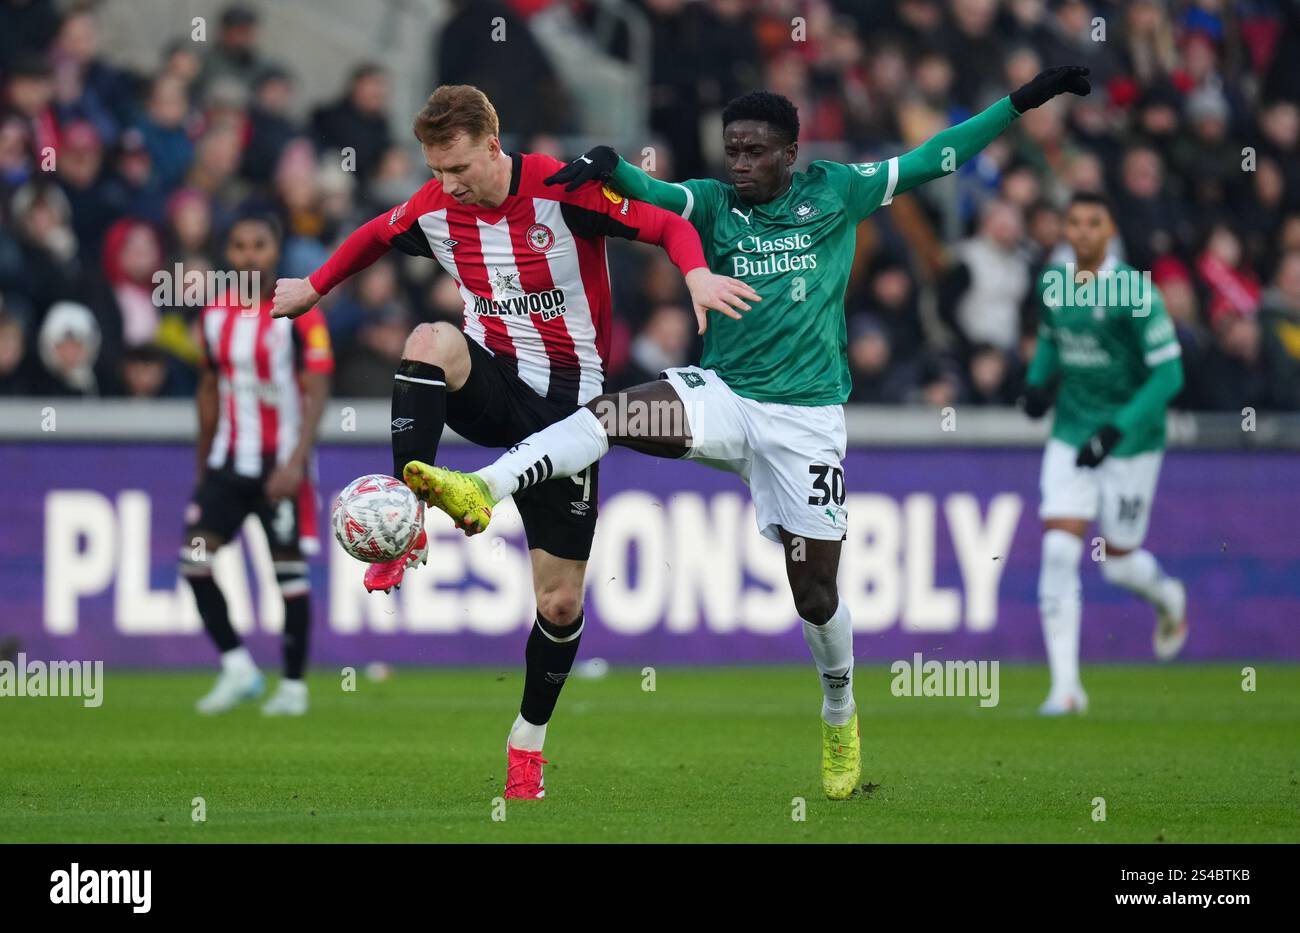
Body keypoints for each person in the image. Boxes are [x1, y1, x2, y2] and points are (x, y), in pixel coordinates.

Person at [413, 67, 1093, 800]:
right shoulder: (714, 203)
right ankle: (481, 488)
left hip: (806, 426)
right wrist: (612, 169)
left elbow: (936, 156)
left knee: (816, 596)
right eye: (731, 149)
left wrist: (1021, 101)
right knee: (611, 415)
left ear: (791, 153)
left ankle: (839, 711)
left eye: (755, 151)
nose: (739, 163)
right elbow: (656, 198)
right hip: (724, 399)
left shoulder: (839, 191)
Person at [270, 85, 751, 799]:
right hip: (493, 386)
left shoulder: (564, 189)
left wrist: (698, 274)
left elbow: (666, 224)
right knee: (430, 339)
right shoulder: (437, 208)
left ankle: (527, 741)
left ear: (493, 146)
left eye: (459, 168)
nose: (448, 185)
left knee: (559, 604)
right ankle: (406, 518)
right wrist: (314, 286)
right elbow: (373, 234)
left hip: (570, 416)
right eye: (437, 171)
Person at [1020, 192, 1188, 716]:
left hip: (1131, 440)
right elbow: (1051, 339)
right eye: (1074, 222)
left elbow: (1170, 376)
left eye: (1094, 222)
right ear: (1064, 229)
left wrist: (1116, 431)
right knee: (1058, 550)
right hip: (1072, 432)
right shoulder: (1054, 283)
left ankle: (1169, 598)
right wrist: (1036, 384)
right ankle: (1066, 689)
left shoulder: (1135, 292)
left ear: (1110, 228)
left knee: (1118, 565)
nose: (1083, 232)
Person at [183, 213, 332, 717]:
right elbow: (209, 389)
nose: (249, 255)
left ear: (276, 250)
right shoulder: (213, 315)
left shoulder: (300, 311)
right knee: (194, 559)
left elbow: (318, 390)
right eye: (240, 245)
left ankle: (293, 687)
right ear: (229, 253)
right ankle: (238, 668)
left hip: (280, 466)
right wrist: (204, 467)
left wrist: (296, 462)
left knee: (287, 573)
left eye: (260, 245)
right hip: (228, 464)